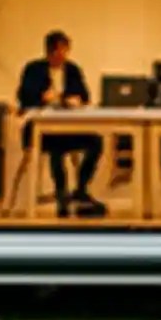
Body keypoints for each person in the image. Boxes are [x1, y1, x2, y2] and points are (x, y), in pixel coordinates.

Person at [16, 30, 107, 217]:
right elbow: (23, 98)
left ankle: (81, 188)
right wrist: (41, 98)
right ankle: (61, 194)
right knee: (56, 149)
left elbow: (85, 96)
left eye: (65, 51)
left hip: (69, 126)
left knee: (96, 142)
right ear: (49, 52)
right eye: (58, 51)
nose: (62, 56)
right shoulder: (33, 69)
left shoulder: (72, 70)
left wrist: (74, 100)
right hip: (40, 131)